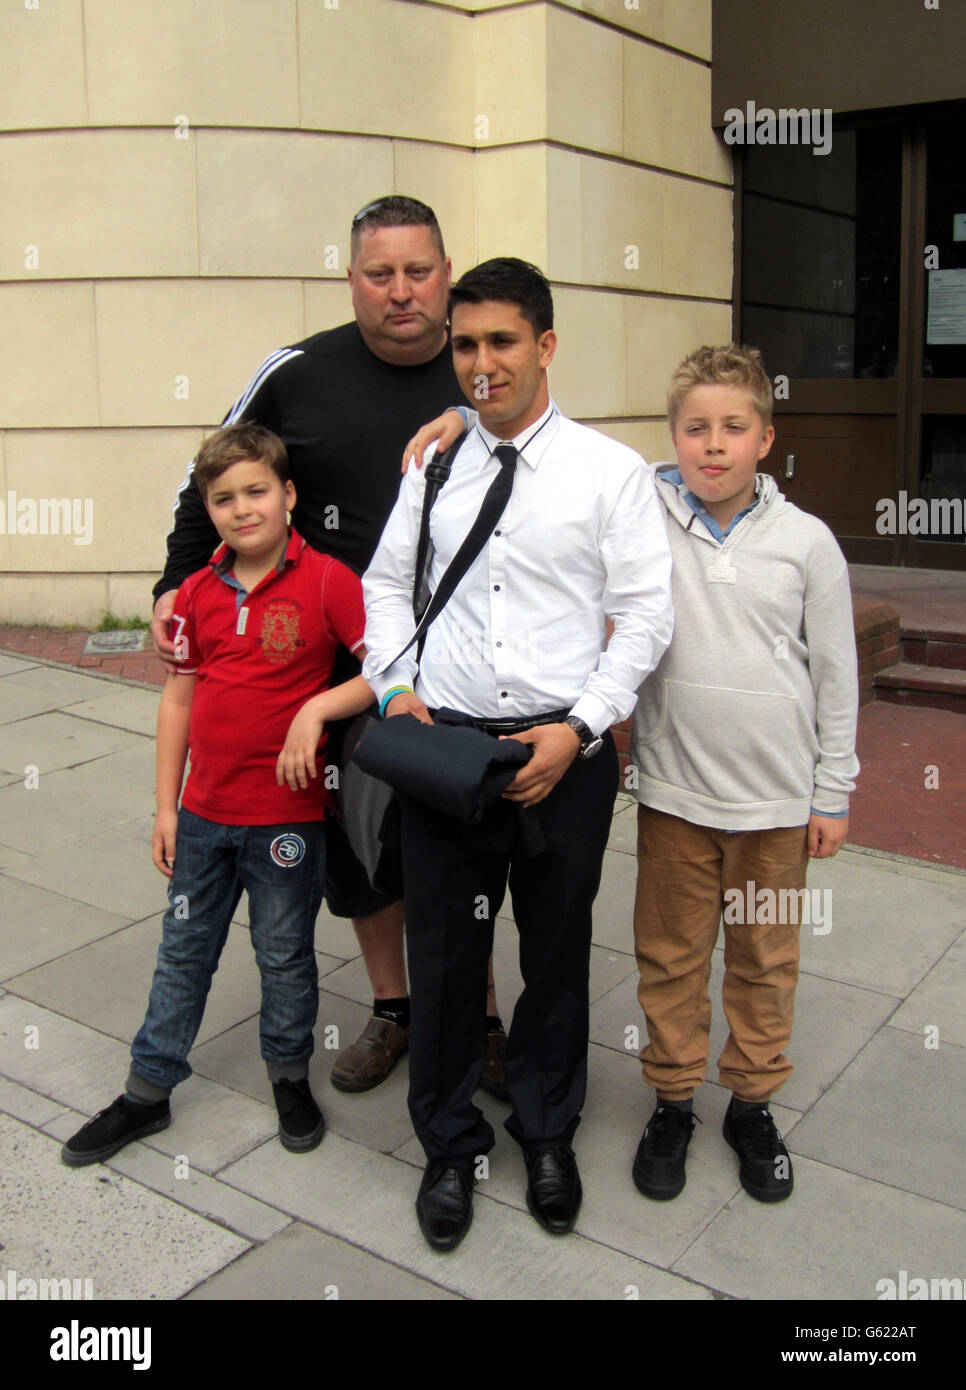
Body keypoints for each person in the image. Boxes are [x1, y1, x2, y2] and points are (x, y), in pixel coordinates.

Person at [149, 196, 507, 1098]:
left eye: (418, 271)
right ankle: (394, 1008)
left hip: (466, 660)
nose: (401, 292)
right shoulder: (297, 372)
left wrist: (475, 419)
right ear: (350, 279)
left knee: (462, 841)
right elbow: (210, 482)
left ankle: (483, 1015)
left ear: (446, 274)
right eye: (378, 273)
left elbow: (544, 451)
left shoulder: (483, 371)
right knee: (355, 844)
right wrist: (171, 584)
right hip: (335, 668)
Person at [362, 258, 673, 1250]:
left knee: (556, 955)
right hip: (445, 748)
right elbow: (384, 588)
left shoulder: (608, 472)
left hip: (562, 751)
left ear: (544, 345)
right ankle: (449, 1146)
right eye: (465, 344)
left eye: (502, 341)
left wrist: (580, 728)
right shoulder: (435, 463)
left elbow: (645, 615)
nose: (481, 362)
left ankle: (546, 1130)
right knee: (447, 959)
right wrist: (395, 688)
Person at [62, 423, 376, 1168]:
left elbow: (389, 671)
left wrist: (317, 710)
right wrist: (166, 807)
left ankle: (290, 1076)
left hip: (287, 824)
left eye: (256, 491)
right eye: (224, 498)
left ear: (289, 495)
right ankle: (147, 1091)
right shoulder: (198, 592)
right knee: (183, 953)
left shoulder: (329, 581)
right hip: (203, 819)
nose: (242, 510)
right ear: (209, 509)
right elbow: (178, 699)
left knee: (284, 957)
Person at [627, 344, 859, 1204]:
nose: (713, 446)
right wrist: (467, 414)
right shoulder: (644, 519)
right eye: (695, 429)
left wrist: (831, 791)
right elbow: (558, 459)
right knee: (672, 956)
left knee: (765, 959)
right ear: (674, 437)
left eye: (734, 428)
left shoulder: (807, 544)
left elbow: (836, 677)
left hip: (775, 810)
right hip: (676, 800)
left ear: (767, 437)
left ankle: (752, 1105)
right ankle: (675, 1100)